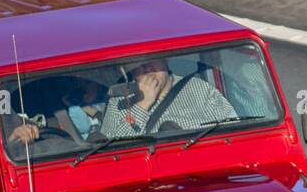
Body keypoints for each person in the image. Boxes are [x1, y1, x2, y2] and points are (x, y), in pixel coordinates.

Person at [97, 58, 236, 138]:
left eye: (152, 60)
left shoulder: (198, 88)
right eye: (138, 64)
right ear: (131, 72)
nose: (147, 68)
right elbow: (113, 150)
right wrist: (143, 104)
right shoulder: (119, 103)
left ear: (165, 61)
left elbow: (232, 129)